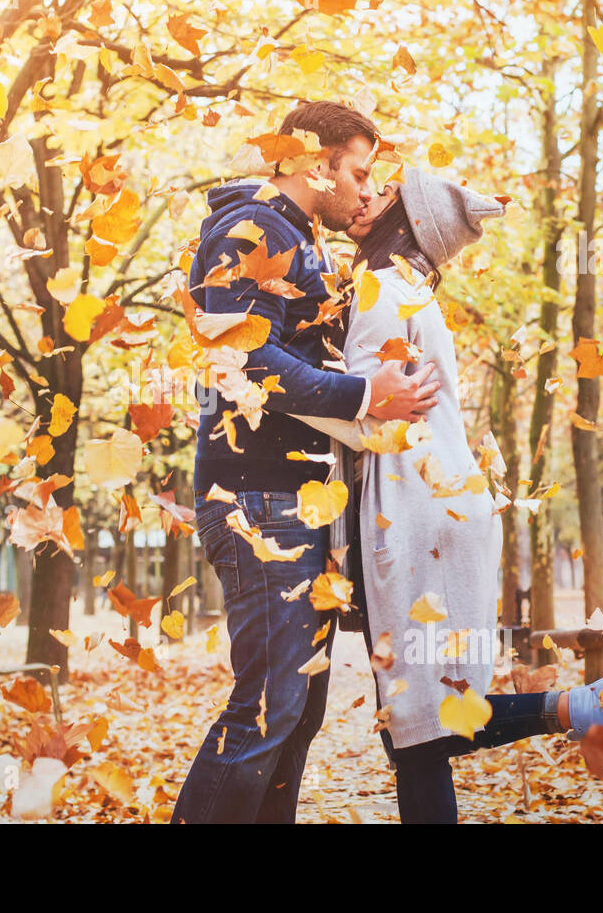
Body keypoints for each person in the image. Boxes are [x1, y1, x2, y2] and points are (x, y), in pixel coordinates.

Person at [292, 166, 603, 822]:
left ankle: (585, 706)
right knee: (417, 730)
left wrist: (279, 396)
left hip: (414, 521)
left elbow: (370, 415)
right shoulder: (413, 290)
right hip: (445, 514)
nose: (367, 192)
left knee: (416, 726)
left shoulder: (380, 287)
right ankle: (579, 708)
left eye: (384, 190)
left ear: (403, 219)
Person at [172, 101, 441, 824]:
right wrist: (363, 395)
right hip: (257, 502)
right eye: (357, 171)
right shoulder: (248, 230)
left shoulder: (301, 240)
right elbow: (240, 360)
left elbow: (318, 345)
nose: (363, 187)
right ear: (317, 163)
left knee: (296, 714)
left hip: (300, 503)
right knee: (268, 708)